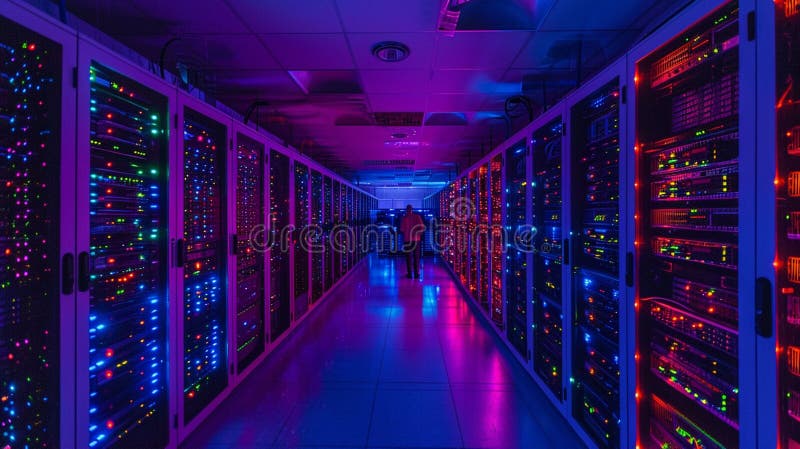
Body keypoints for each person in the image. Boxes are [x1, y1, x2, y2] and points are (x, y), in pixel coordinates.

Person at [399, 204, 425, 278]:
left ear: (406, 209)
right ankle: (416, 274)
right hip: (416, 239)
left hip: (407, 239)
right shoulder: (417, 216)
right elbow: (422, 227)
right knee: (416, 257)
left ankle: (410, 274)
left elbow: (402, 229)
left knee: (408, 257)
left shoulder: (404, 218)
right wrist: (417, 233)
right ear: (412, 209)